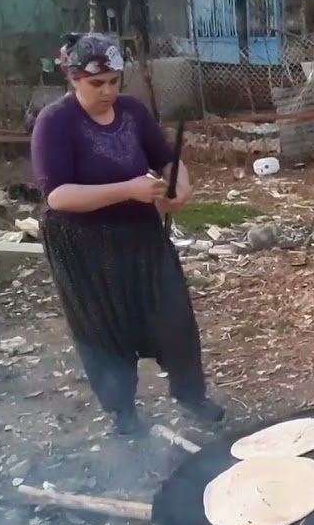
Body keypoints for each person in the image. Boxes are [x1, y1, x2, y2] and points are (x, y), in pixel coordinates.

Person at [31, 33, 225, 435]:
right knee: (105, 331)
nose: (107, 92)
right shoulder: (55, 123)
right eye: (96, 84)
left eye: (114, 82)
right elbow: (59, 195)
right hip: (83, 246)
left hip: (140, 234)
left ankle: (191, 396)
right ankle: (124, 415)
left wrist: (179, 188)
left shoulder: (133, 113)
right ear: (73, 79)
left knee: (173, 317)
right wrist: (129, 189)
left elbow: (167, 160)